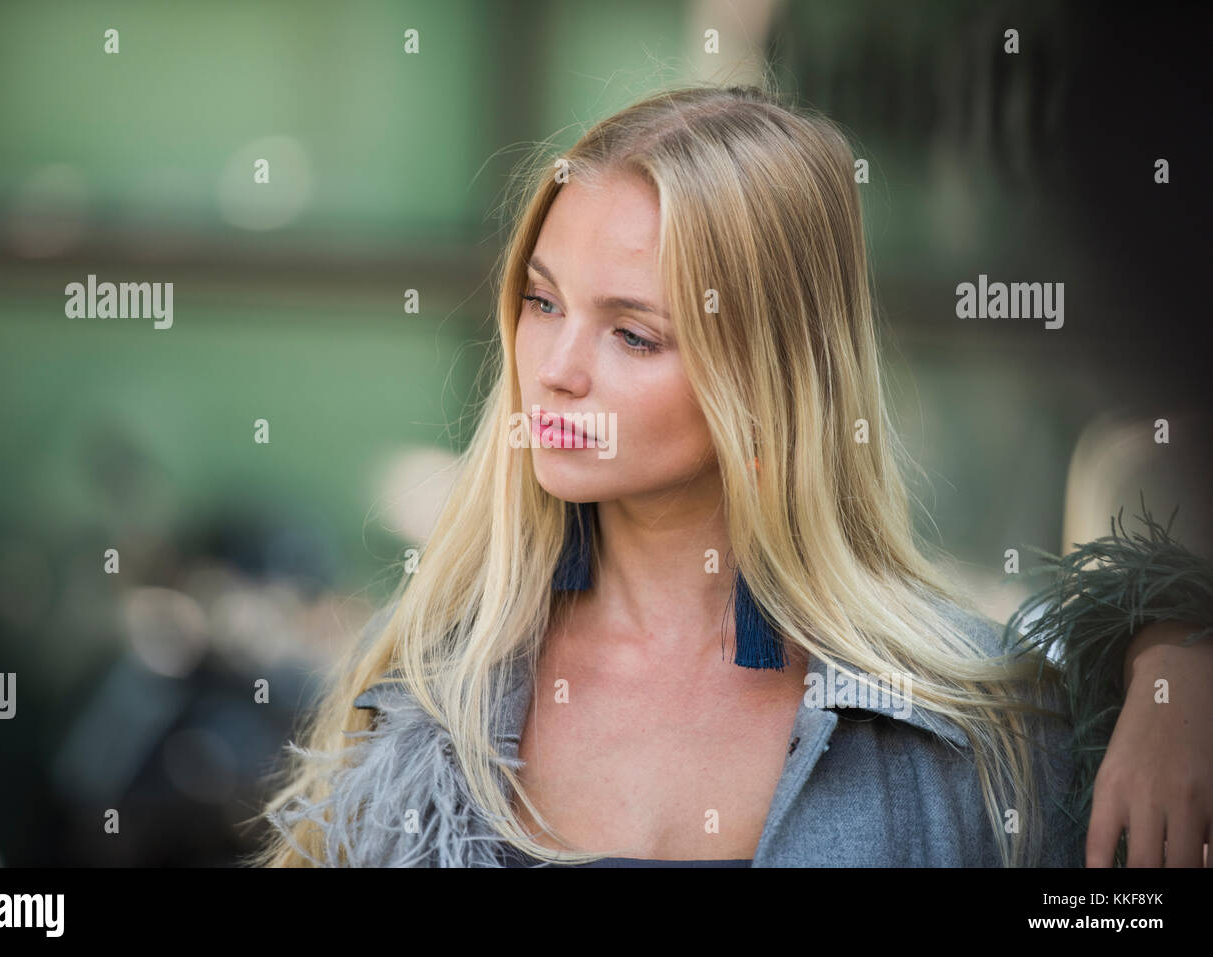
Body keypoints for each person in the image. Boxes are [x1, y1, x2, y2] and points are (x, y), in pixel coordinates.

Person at [254, 82, 1212, 868]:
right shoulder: (420, 684)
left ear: (769, 374)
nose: (556, 367)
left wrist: (1176, 651)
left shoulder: (981, 727)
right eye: (541, 301)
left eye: (633, 332)